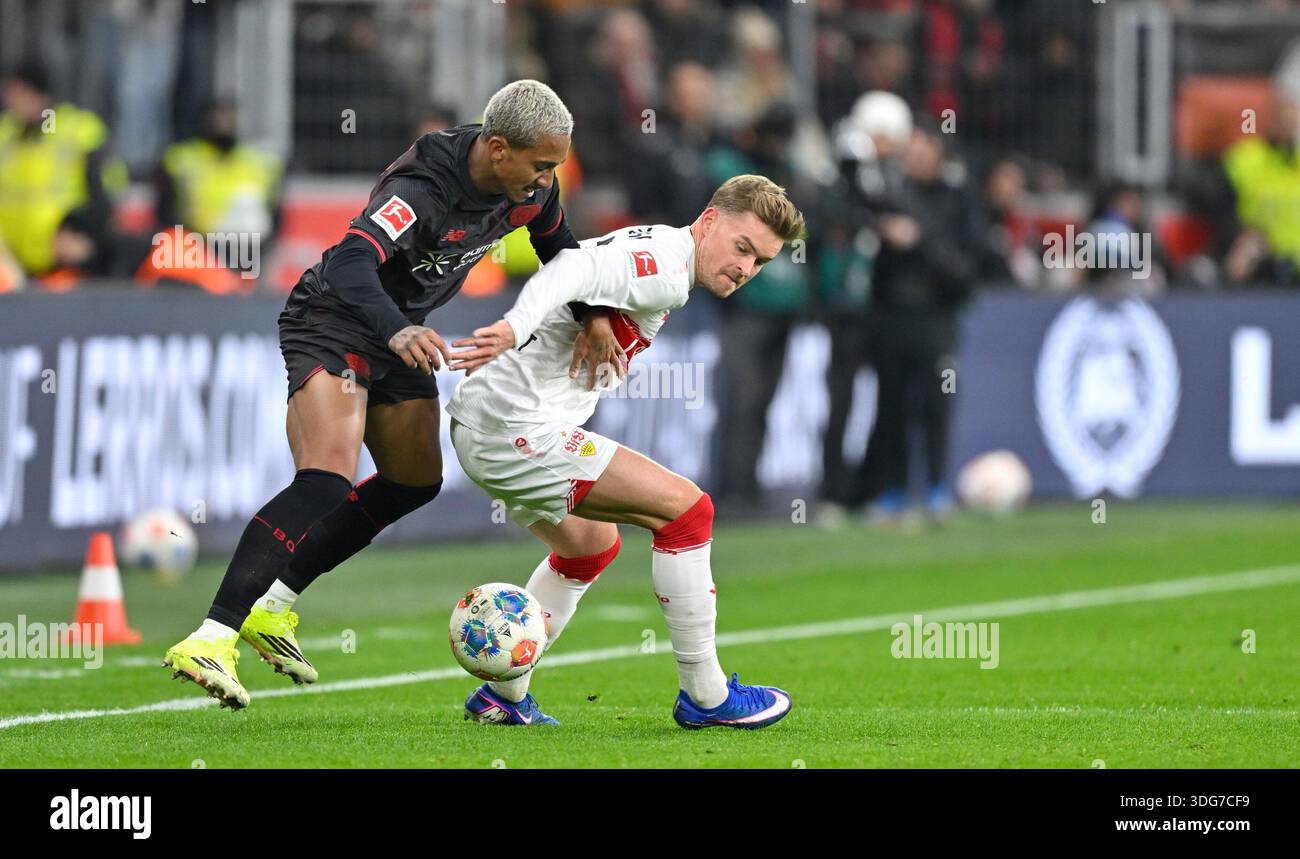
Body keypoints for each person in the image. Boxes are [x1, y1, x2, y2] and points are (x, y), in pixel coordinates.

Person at [163, 80, 621, 710]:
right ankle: (211, 636)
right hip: (337, 319)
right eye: (541, 165)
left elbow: (559, 249)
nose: (547, 180)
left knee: (412, 481)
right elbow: (352, 261)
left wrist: (595, 313)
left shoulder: (529, 189)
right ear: (496, 149)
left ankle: (274, 607)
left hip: (399, 330)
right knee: (325, 479)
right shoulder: (424, 187)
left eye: (554, 167)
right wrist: (400, 327)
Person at [444, 175, 805, 729]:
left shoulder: (663, 256)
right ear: (709, 221)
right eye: (742, 248)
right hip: (512, 427)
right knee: (688, 512)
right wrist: (515, 327)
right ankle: (706, 697)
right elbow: (567, 267)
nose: (746, 269)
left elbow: (583, 259)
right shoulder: (662, 267)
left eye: (760, 261)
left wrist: (593, 314)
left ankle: (503, 696)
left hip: (492, 424)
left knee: (590, 547)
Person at [0, 63, 127, 285]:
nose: (8, 100)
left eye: (13, 92)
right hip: (13, 262)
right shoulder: (7, 132)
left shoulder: (74, 129)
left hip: (64, 261)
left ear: (30, 92)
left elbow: (105, 190)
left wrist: (90, 238)